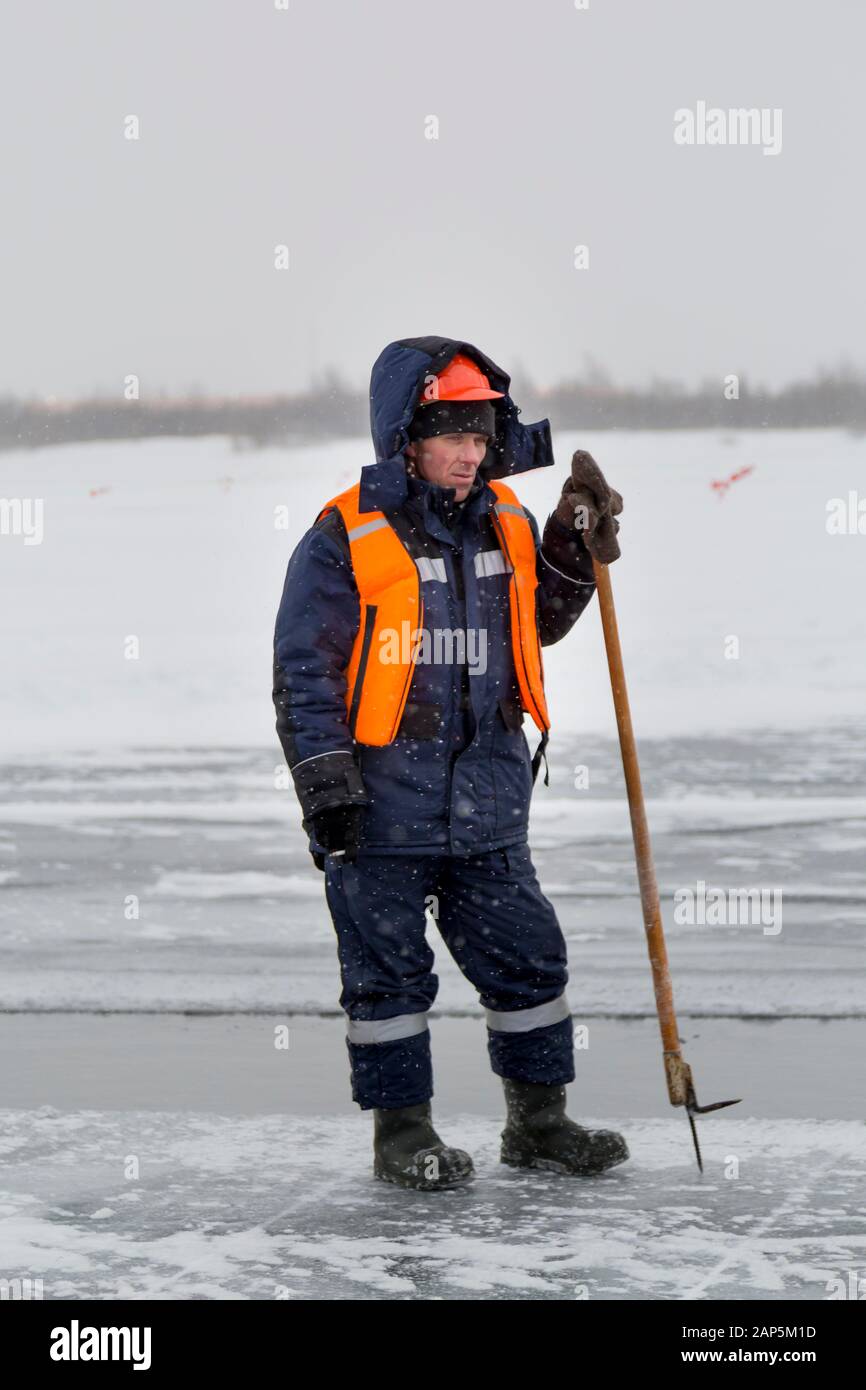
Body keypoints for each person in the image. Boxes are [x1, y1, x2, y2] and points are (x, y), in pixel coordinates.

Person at [272, 335, 627, 1190]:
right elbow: (305, 670)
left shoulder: (507, 519)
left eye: (481, 436)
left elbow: (535, 623)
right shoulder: (344, 534)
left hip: (489, 800)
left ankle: (539, 1126)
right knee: (389, 981)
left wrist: (574, 554)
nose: (471, 453)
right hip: (379, 803)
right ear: (407, 436)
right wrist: (326, 785)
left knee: (531, 960)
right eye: (452, 435)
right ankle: (404, 1138)